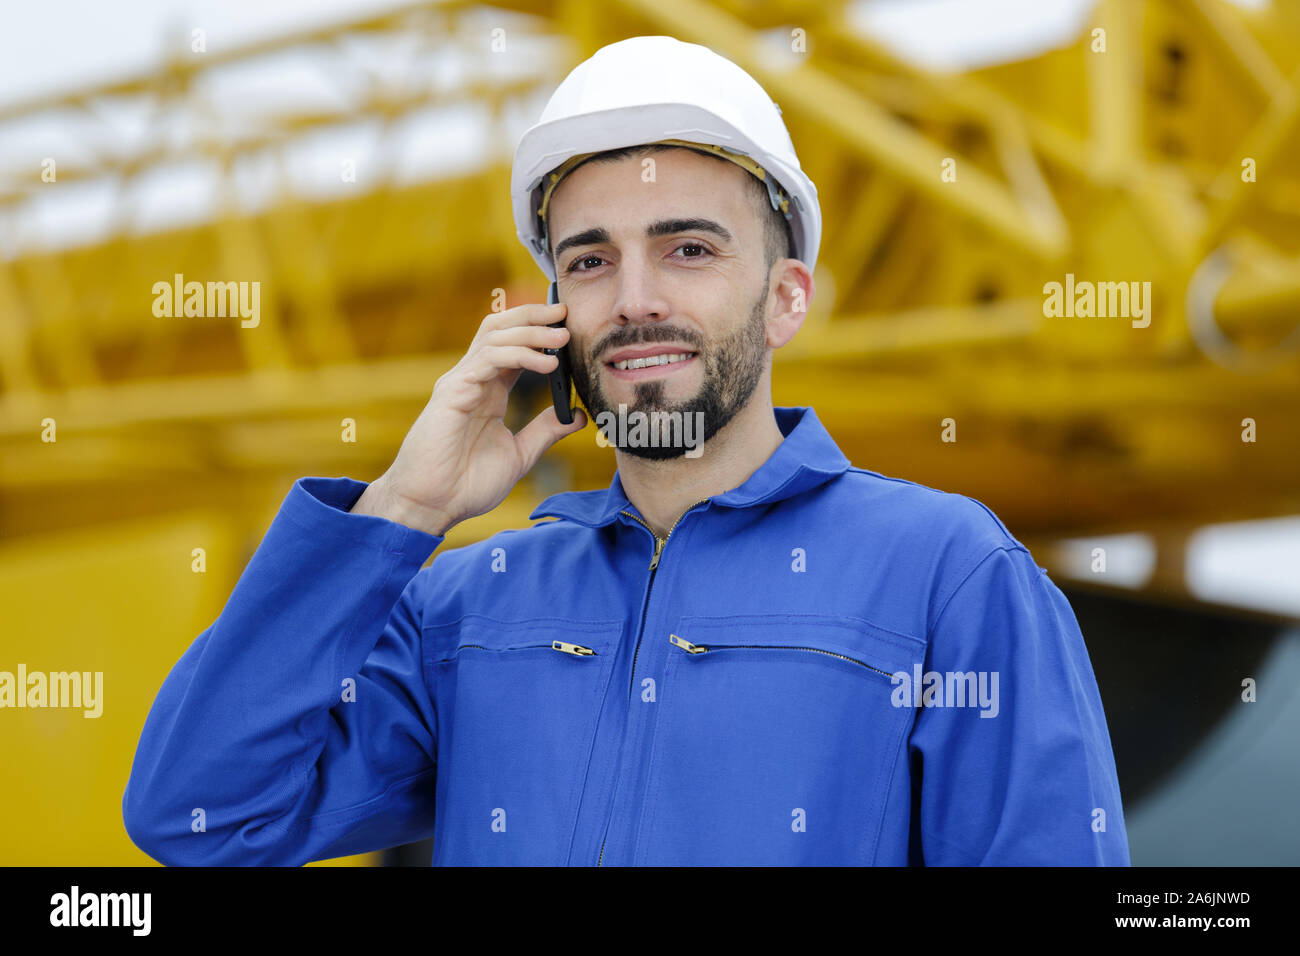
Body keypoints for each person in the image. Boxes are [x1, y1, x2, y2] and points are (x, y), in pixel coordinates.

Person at [123, 35, 1130, 866]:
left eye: (688, 248)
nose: (636, 297)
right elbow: (199, 814)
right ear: (555, 312)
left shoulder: (947, 575)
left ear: (786, 297)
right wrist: (400, 509)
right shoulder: (467, 605)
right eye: (590, 259)